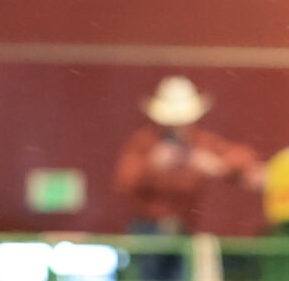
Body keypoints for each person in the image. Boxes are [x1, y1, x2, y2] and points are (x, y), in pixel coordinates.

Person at [112, 75, 266, 236]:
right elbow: (123, 181)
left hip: (184, 229)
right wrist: (151, 166)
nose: (179, 126)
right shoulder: (145, 142)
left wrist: (216, 165)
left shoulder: (200, 141)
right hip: (147, 229)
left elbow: (244, 160)